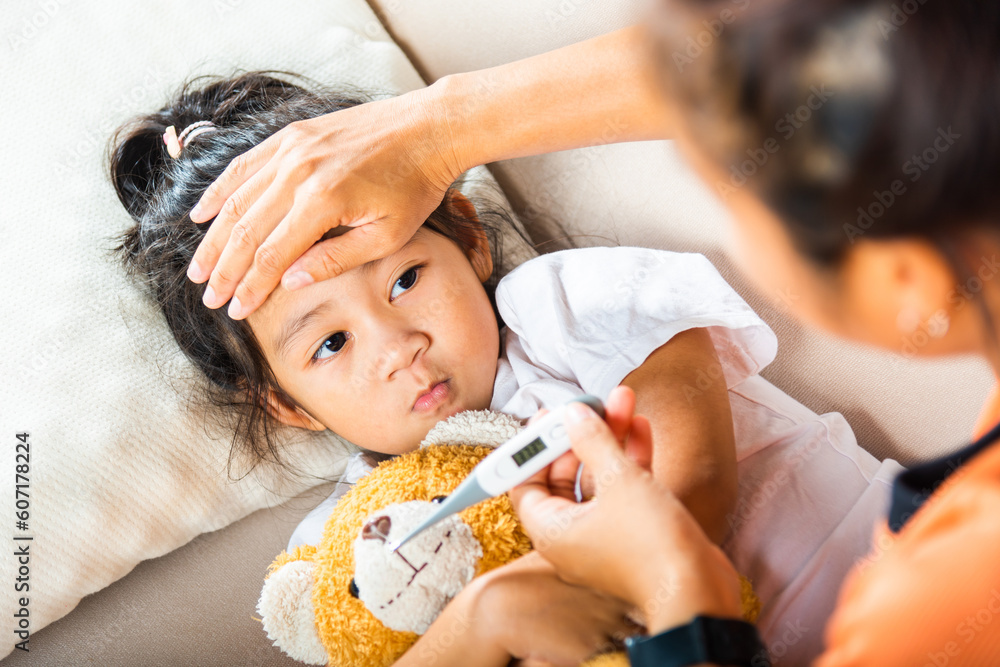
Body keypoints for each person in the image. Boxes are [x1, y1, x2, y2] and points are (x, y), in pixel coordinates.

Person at [177, 0, 1000, 663]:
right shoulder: (355, 533)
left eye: (405, 279)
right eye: (329, 343)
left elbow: (700, 482)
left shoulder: (562, 309)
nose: (397, 345)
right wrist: (474, 628)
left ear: (469, 238)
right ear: (284, 404)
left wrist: (554, 594)